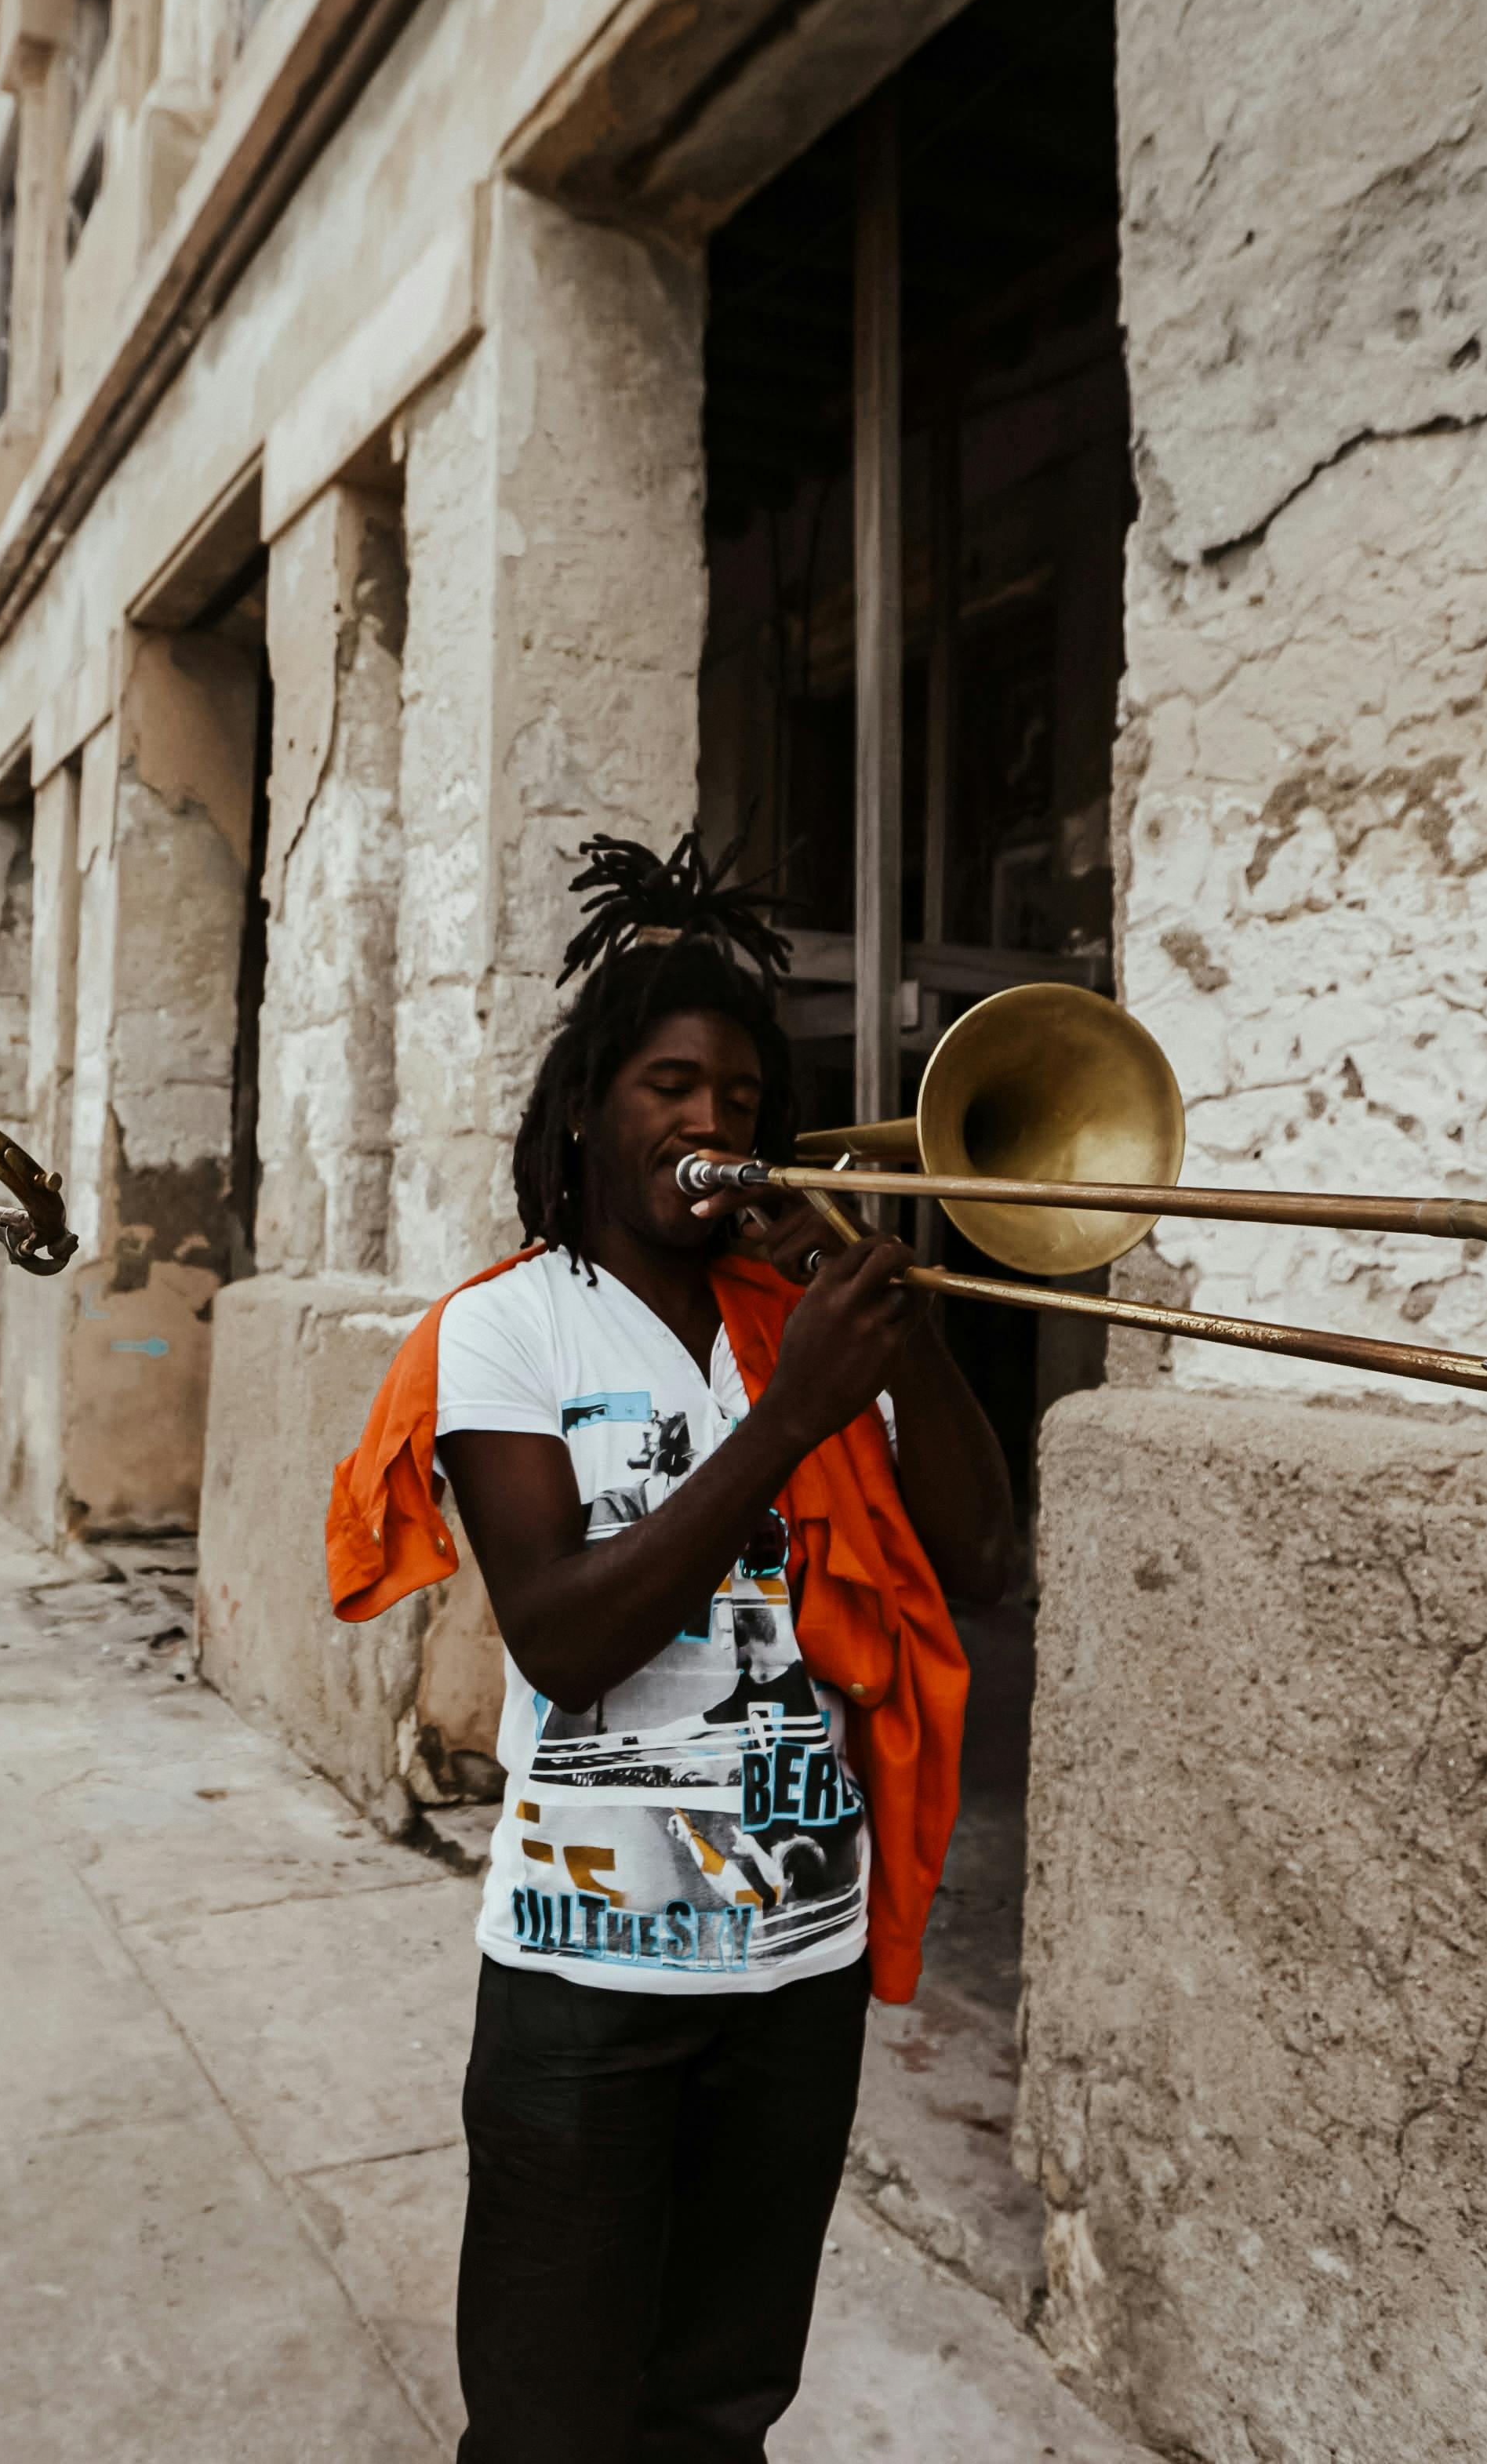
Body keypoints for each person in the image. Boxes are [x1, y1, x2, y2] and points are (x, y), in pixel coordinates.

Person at [329, 834, 1018, 2462]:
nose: (712, 1125)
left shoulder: (808, 1326)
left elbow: (981, 1556)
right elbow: (565, 1637)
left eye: (740, 1098)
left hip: (796, 1977)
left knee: (720, 2406)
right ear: (587, 1110)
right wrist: (787, 1423)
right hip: (587, 1982)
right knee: (551, 2420)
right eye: (669, 1085)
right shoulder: (508, 1325)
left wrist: (905, 1336)